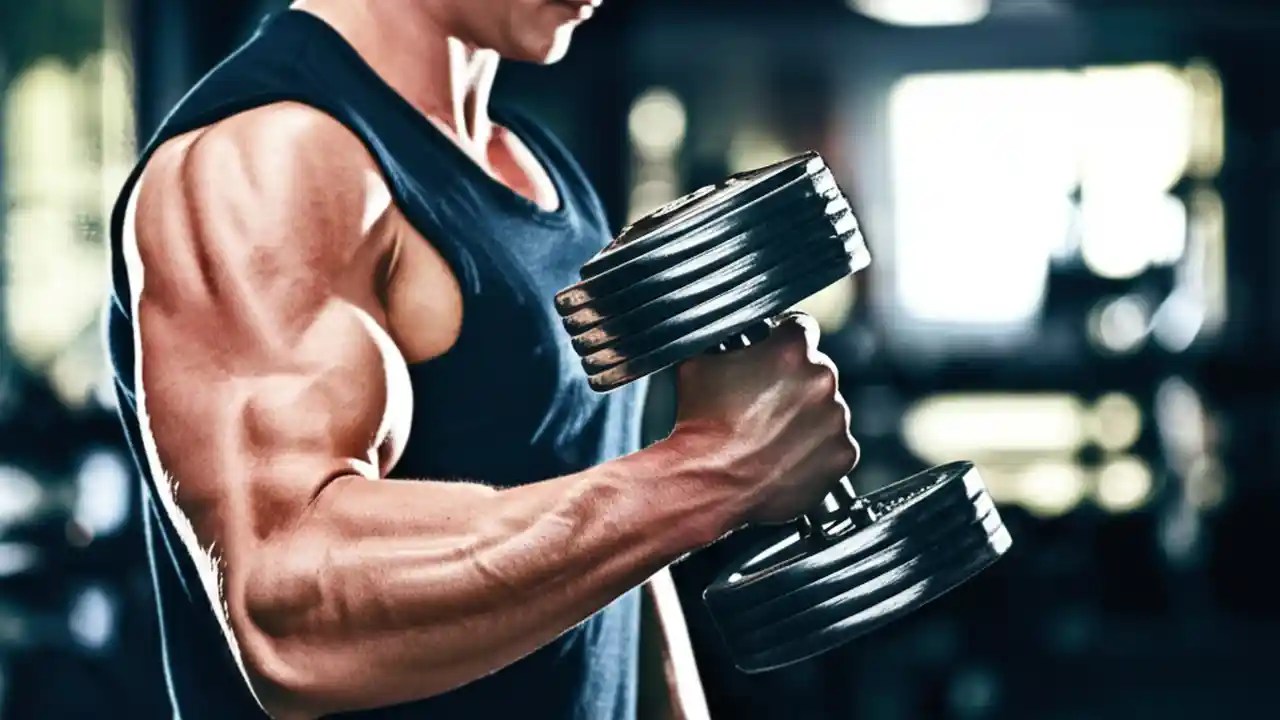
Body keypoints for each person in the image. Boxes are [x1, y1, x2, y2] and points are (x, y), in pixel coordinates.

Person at [104, 1, 859, 718]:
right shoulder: (269, 161)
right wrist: (711, 472)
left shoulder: (538, 168)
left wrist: (687, 487)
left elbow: (617, 540)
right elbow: (289, 610)